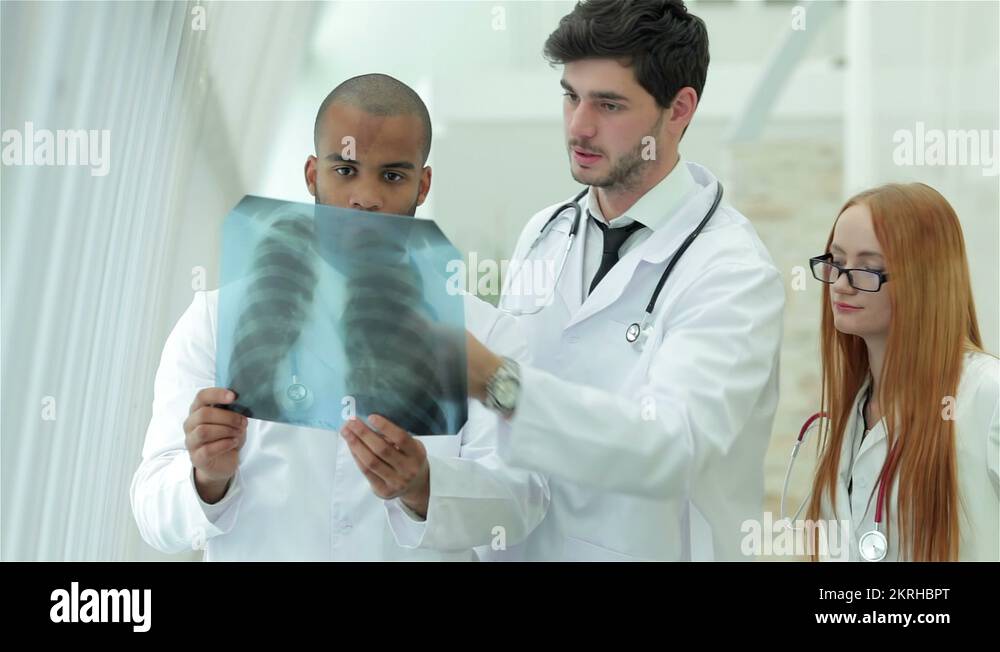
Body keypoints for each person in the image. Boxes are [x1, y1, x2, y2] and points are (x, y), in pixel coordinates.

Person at [130, 74, 548, 560]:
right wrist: (206, 479)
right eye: (345, 171)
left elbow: (525, 499)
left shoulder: (485, 334)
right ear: (312, 174)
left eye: (392, 176)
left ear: (423, 183)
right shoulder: (214, 319)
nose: (365, 198)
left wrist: (426, 486)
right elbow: (150, 509)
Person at [463, 0, 785, 560]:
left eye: (609, 104)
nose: (579, 126)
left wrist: (498, 382)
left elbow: (671, 445)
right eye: (570, 95)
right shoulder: (545, 231)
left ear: (679, 109)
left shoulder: (732, 271)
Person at [805, 182, 998, 561]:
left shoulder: (986, 395)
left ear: (924, 280)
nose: (842, 285)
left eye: (868, 269)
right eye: (836, 261)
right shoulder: (853, 413)